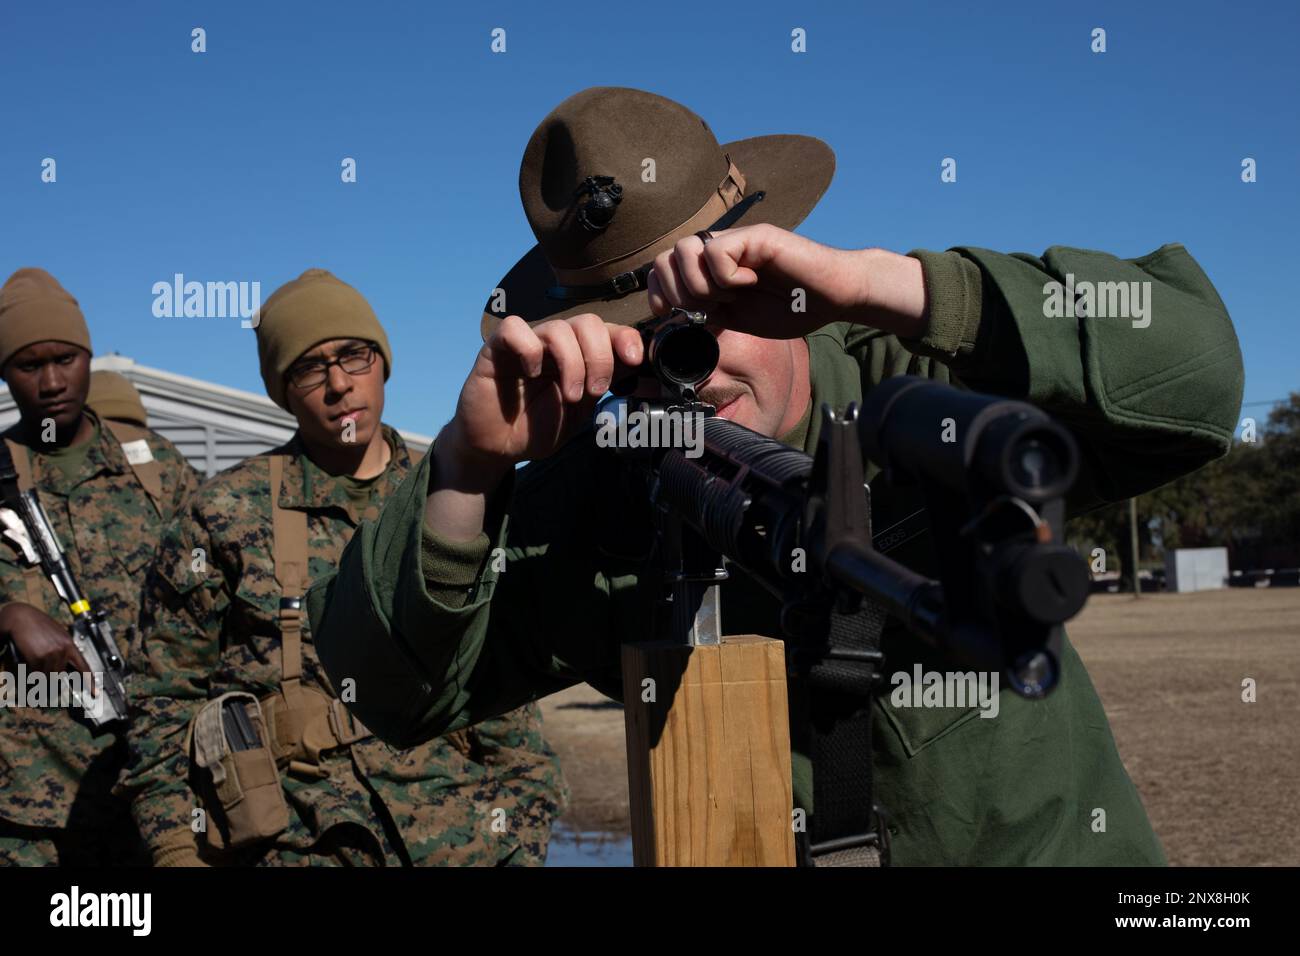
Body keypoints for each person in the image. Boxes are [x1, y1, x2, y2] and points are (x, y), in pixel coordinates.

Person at [308, 88, 1245, 865]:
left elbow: (1197, 381)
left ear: (780, 272)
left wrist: (900, 285)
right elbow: (383, 691)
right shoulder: (597, 489)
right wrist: (468, 472)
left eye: (718, 307)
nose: (693, 364)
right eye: (640, 335)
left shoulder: (919, 389)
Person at [119, 269, 567, 866]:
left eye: (354, 356)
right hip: (303, 842)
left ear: (382, 363)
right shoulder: (222, 514)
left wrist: (522, 834)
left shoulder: (456, 492)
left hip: (463, 840)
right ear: (283, 390)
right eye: (308, 368)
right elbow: (162, 701)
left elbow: (511, 696)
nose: (337, 384)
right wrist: (177, 851)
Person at [0, 267, 199, 865]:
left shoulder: (157, 469)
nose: (53, 382)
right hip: (28, 808)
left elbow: (218, 601)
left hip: (153, 785)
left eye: (66, 358)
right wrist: (7, 614)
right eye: (29, 366)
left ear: (88, 357)